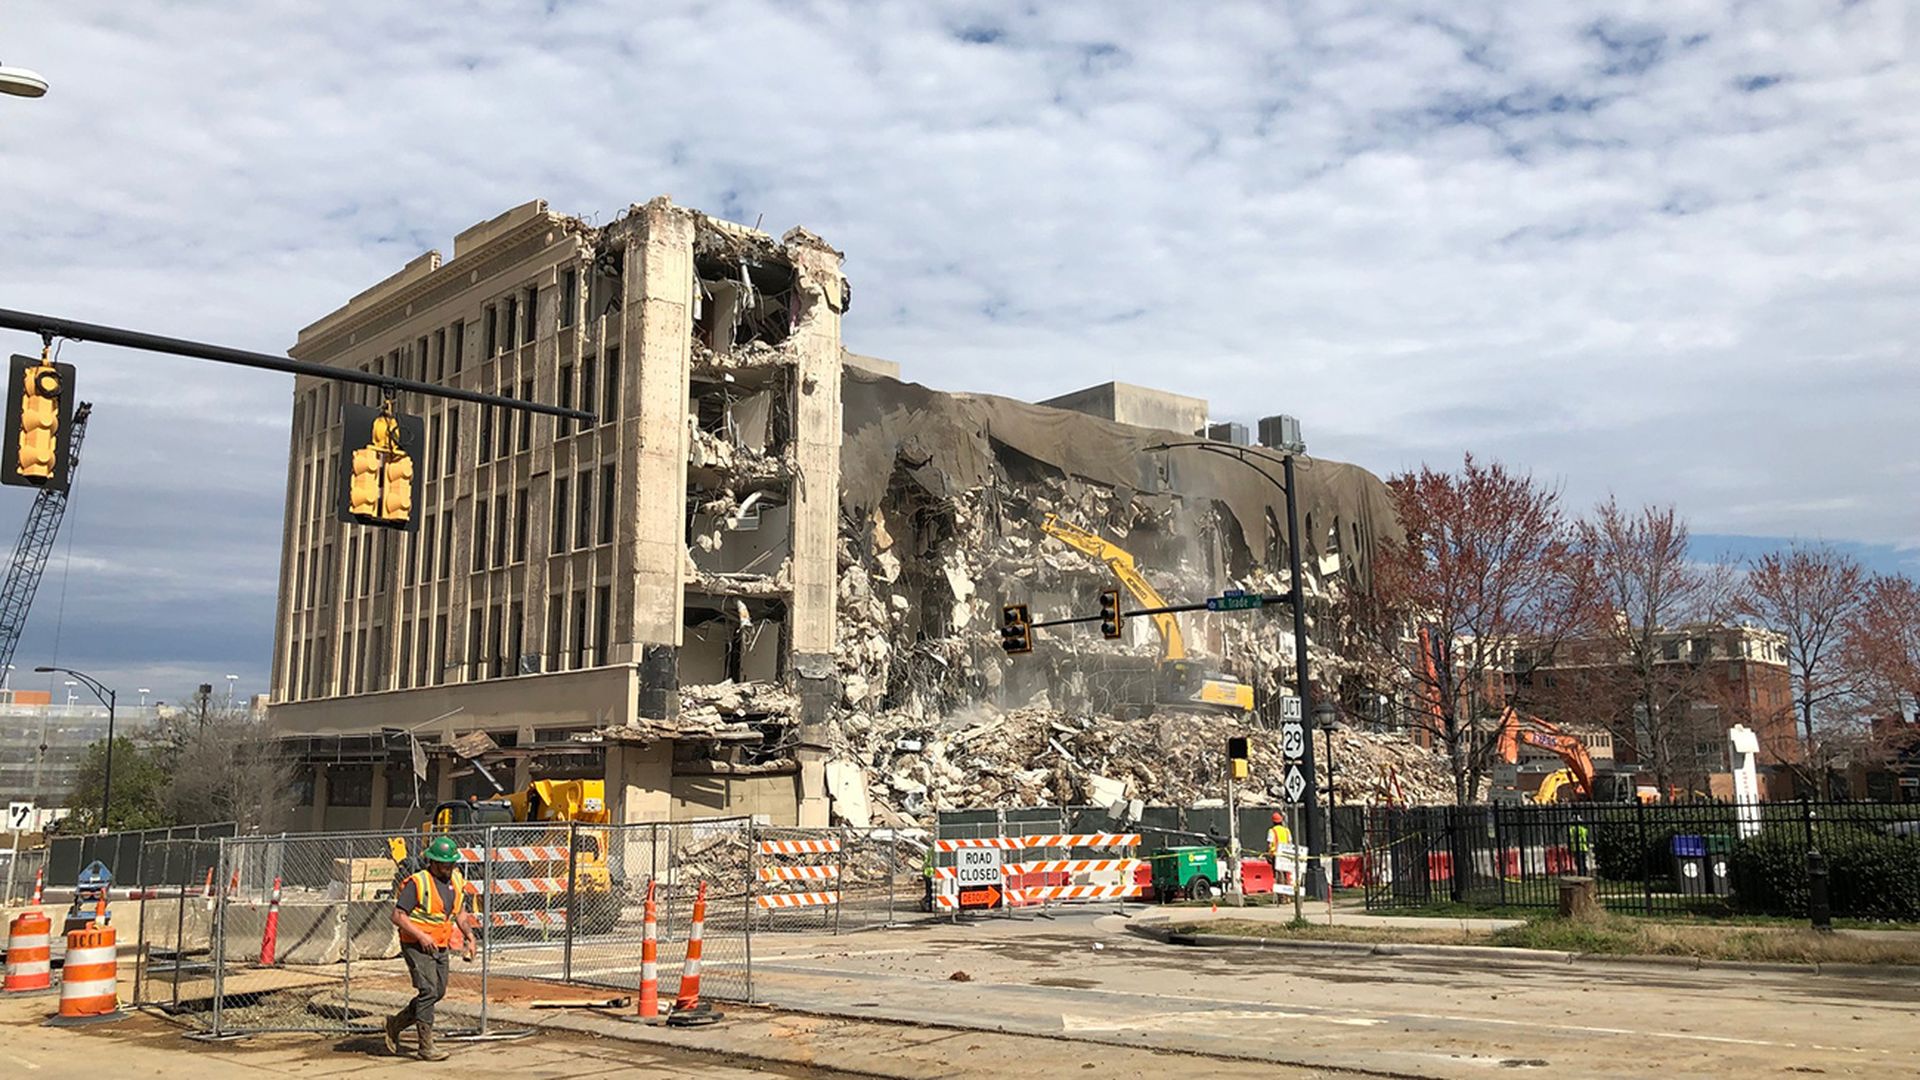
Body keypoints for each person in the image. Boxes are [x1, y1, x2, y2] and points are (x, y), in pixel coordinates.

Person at [384, 835, 478, 1060]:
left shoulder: (455, 881)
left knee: (439, 992)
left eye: (452, 863)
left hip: (440, 944)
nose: (449, 868)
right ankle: (426, 1046)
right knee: (428, 990)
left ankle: (395, 1023)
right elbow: (397, 915)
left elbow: (460, 913)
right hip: (416, 944)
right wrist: (421, 936)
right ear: (433, 862)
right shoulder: (418, 882)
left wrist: (470, 936)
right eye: (445, 864)